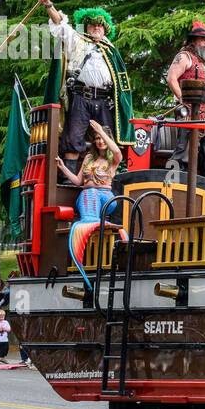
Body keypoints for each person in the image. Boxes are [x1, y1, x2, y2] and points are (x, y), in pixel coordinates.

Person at [38, 0, 134, 174]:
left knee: (107, 139)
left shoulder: (112, 52)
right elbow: (60, 25)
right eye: (92, 25)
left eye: (100, 25)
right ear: (86, 26)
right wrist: (49, 6)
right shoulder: (78, 41)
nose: (96, 28)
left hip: (105, 102)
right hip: (81, 98)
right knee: (73, 139)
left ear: (106, 29)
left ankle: (108, 178)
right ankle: (69, 179)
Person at [56, 119, 126, 289]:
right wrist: (63, 167)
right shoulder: (88, 157)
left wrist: (101, 131)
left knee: (92, 192)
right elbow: (79, 181)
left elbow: (116, 150)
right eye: (96, 138)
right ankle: (86, 228)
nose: (100, 141)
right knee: (87, 192)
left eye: (102, 138)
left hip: (105, 198)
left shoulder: (113, 159)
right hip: (87, 196)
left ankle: (89, 225)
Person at [165, 19, 205, 180]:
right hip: (188, 114)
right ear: (193, 41)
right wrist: (183, 100)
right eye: (202, 39)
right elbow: (171, 78)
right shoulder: (184, 57)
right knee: (183, 153)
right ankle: (173, 186)